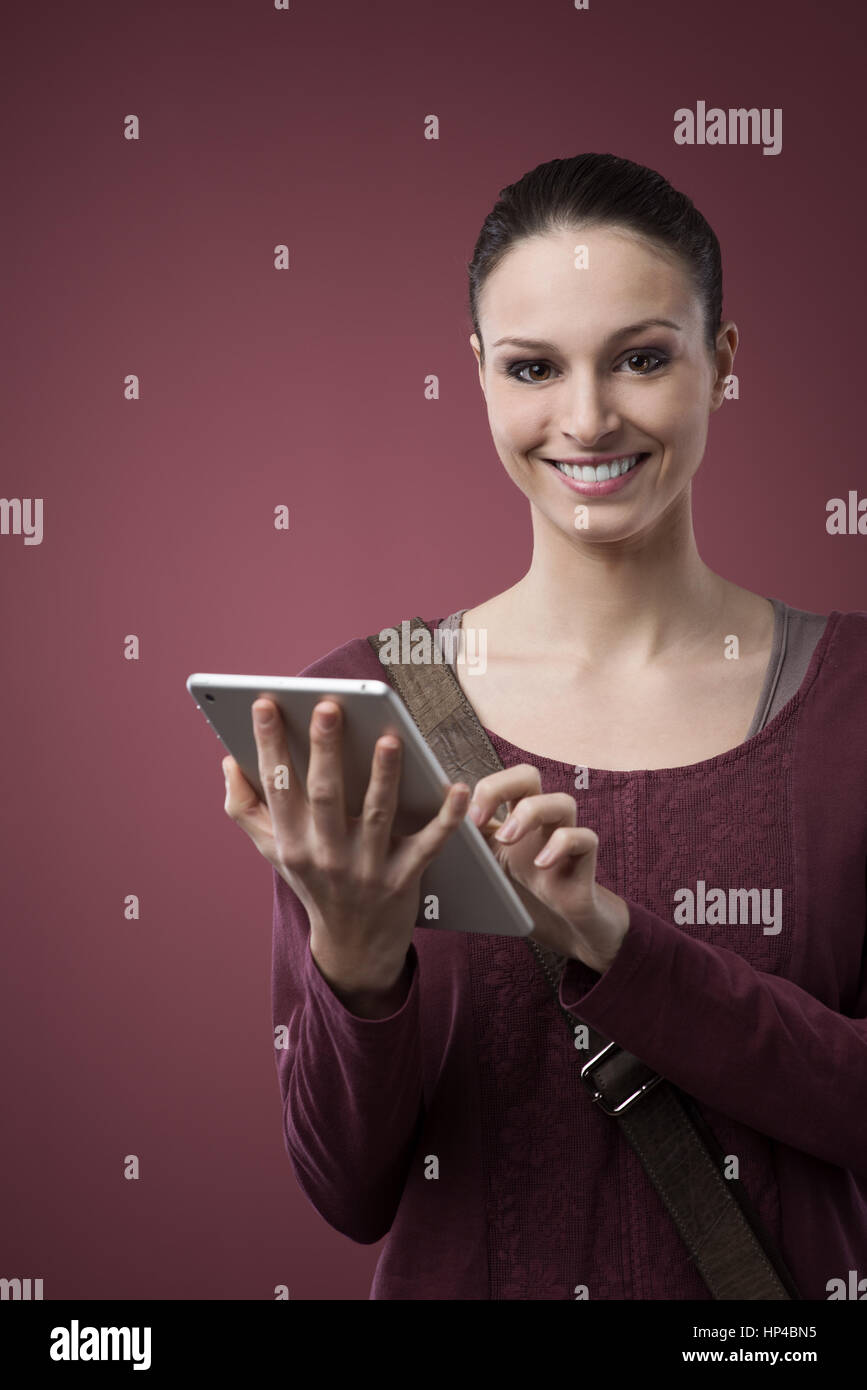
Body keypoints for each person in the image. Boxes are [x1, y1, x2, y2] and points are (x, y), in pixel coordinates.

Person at [222, 153, 867, 1300]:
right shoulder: (363, 709)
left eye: (642, 357)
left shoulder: (854, 699)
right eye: (533, 367)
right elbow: (347, 1189)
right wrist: (355, 961)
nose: (586, 418)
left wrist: (614, 941)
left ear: (723, 364)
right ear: (477, 375)